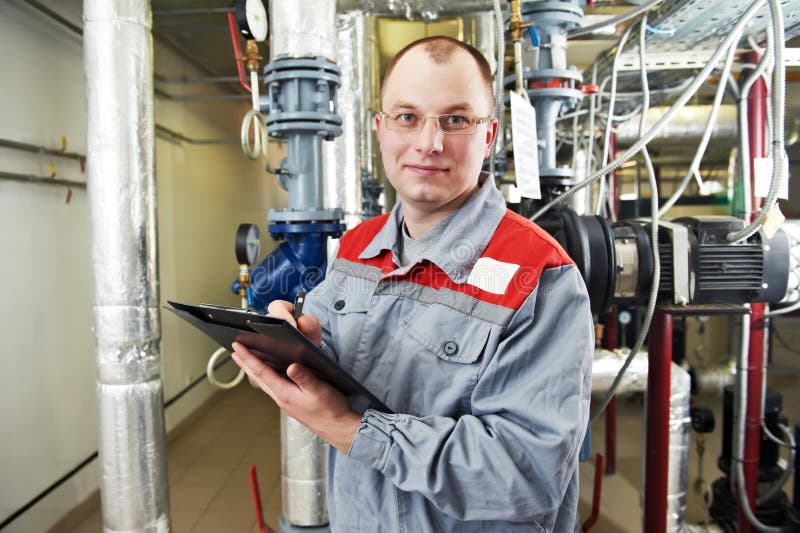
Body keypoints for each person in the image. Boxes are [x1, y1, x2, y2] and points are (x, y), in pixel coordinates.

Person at [231, 35, 593, 532]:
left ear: (488, 136)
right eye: (407, 117)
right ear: (381, 130)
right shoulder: (357, 247)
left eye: (456, 119)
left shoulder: (539, 278)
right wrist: (305, 352)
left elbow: (526, 474)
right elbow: (351, 368)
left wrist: (348, 428)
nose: (429, 142)